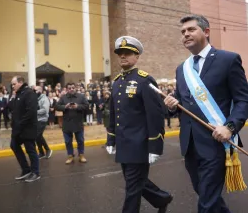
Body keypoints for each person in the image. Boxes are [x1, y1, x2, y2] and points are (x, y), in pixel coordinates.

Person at [164, 15, 248, 213]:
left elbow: (243, 100)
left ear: (206, 32)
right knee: (205, 194)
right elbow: (183, 101)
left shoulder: (228, 60)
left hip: (216, 142)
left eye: (191, 30)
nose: (186, 34)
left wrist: (230, 127)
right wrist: (171, 105)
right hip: (190, 144)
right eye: (183, 32)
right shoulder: (181, 69)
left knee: (207, 202)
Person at [106, 36, 173, 213]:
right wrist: (111, 139)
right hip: (123, 143)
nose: (123, 56)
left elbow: (155, 115)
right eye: (120, 53)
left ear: (137, 57)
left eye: (127, 53)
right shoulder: (117, 82)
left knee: (132, 189)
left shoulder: (144, 80)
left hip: (139, 144)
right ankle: (162, 198)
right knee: (134, 182)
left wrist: (155, 146)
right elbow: (113, 114)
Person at [10, 76, 40, 182]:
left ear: (21, 82)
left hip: (27, 128)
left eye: (14, 84)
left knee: (30, 149)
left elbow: (31, 112)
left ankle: (35, 172)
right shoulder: (17, 94)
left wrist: (20, 124)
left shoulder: (29, 93)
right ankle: (26, 170)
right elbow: (12, 108)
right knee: (14, 145)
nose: (12, 86)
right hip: (18, 128)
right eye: (12, 84)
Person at [56, 83, 89, 164]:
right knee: (67, 141)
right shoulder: (63, 97)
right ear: (67, 89)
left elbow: (87, 106)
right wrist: (65, 107)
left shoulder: (81, 96)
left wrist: (77, 106)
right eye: (69, 88)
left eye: (73, 87)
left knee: (80, 140)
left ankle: (81, 155)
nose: (71, 89)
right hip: (67, 124)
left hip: (78, 123)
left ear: (75, 88)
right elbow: (56, 106)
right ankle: (70, 156)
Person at [35, 86, 53, 159]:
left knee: (37, 135)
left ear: (40, 91)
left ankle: (48, 149)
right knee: (37, 136)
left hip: (42, 119)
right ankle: (41, 152)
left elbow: (45, 110)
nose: (34, 92)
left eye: (35, 90)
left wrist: (34, 112)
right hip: (36, 120)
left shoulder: (44, 99)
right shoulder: (36, 99)